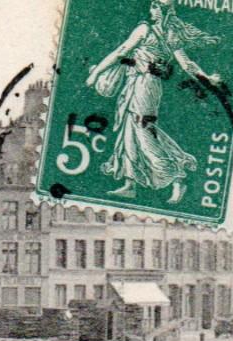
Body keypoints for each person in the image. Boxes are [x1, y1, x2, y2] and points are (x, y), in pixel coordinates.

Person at [85, 0, 221, 205]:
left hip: (143, 85)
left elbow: (121, 51)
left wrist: (96, 73)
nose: (151, 9)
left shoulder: (144, 29)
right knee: (130, 131)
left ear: (163, 11)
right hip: (146, 85)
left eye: (155, 6)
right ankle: (130, 185)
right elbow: (188, 65)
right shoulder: (172, 35)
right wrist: (207, 78)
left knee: (142, 132)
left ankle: (177, 177)